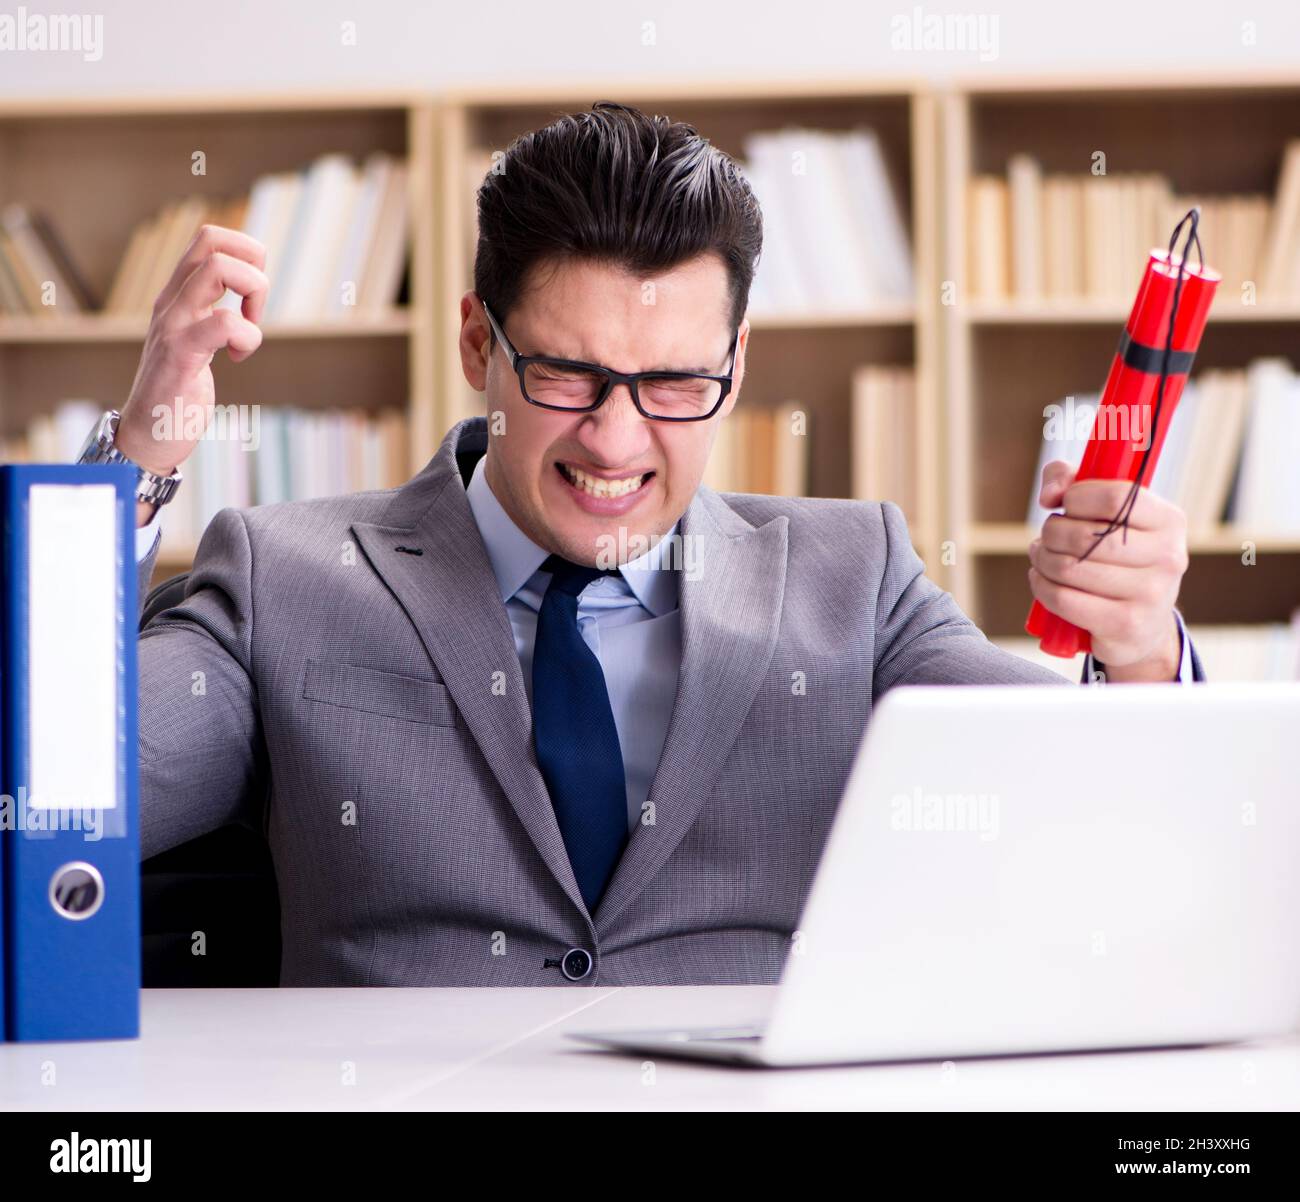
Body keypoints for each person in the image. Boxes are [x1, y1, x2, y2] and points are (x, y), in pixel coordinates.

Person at [78, 102, 1201, 988]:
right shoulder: (288, 575)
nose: (615, 440)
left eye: (673, 382)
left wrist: (1141, 647)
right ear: (479, 337)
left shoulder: (853, 578)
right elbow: (59, 790)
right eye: (565, 374)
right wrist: (134, 463)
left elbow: (1107, 829)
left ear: (739, 361)